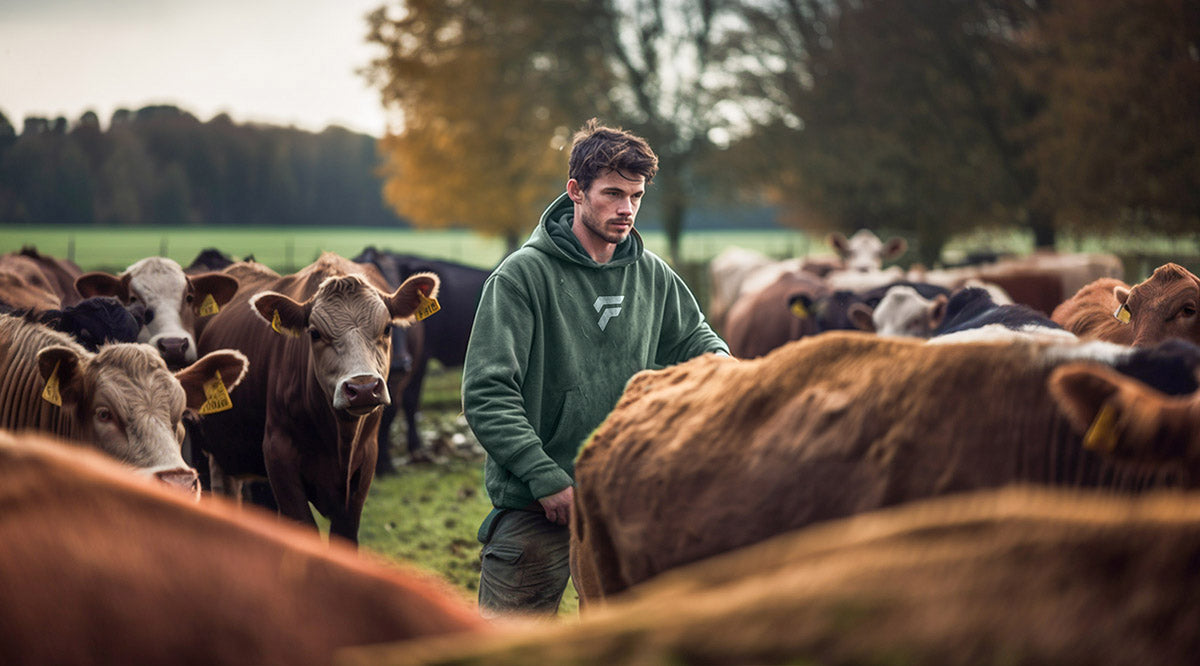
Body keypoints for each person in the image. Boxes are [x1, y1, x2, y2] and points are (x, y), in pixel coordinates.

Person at [462, 118, 729, 617]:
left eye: (636, 196)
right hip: (536, 506)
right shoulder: (521, 278)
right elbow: (487, 392)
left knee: (624, 649)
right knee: (509, 648)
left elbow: (695, 338)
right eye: (611, 194)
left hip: (627, 504)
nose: (626, 209)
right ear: (576, 192)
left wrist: (725, 369)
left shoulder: (652, 275)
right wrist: (545, 479)